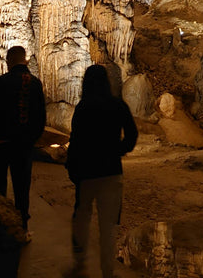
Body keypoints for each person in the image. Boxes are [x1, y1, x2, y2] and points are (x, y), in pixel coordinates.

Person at [65, 64, 138, 278]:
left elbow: (76, 140)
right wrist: (118, 150)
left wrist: (72, 167)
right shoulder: (118, 105)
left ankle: (79, 265)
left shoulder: (83, 107)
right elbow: (132, 135)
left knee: (81, 218)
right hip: (111, 172)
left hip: (87, 172)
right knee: (108, 226)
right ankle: (108, 271)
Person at [0, 45, 46, 234]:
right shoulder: (35, 83)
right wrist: (32, 138)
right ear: (25, 60)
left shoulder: (3, 81)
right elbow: (41, 117)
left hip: (3, 141)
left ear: (9, 61)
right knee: (22, 186)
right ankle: (22, 227)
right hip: (24, 144)